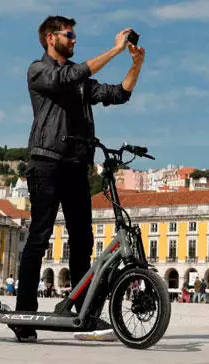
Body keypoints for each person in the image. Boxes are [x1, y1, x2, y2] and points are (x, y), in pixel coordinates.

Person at [13, 15, 145, 343]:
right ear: (50, 38)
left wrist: (136, 66)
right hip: (46, 162)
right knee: (39, 238)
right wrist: (114, 50)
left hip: (76, 165)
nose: (74, 40)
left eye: (74, 35)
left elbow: (118, 94)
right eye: (69, 35)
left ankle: (82, 313)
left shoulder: (80, 82)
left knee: (82, 241)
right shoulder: (38, 70)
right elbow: (68, 76)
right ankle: (23, 315)